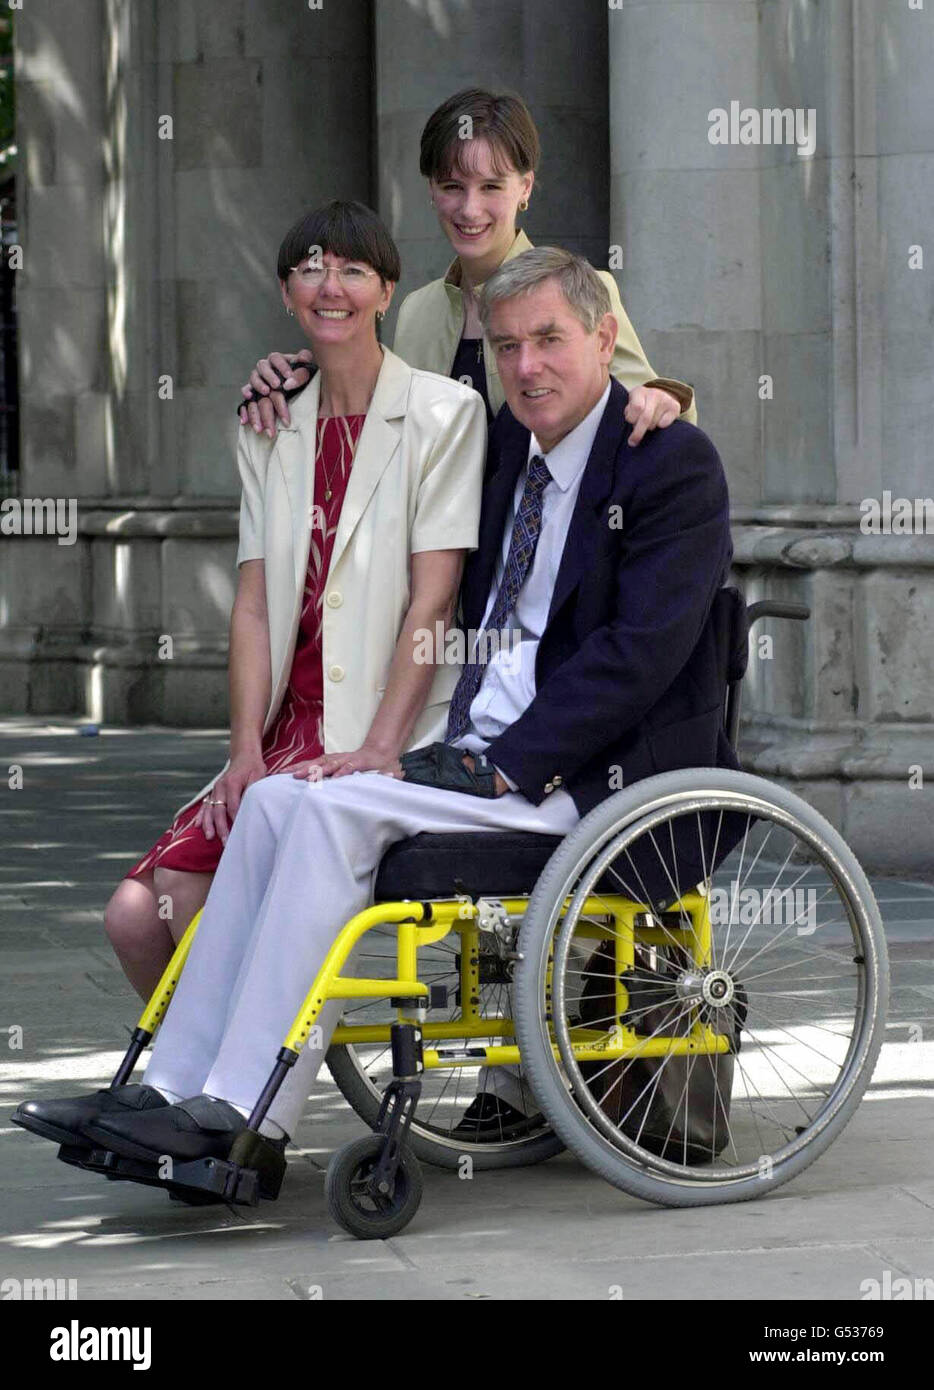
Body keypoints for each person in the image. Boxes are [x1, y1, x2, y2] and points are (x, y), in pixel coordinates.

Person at [12, 247, 740, 1176]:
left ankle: (246, 1118)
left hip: (588, 774)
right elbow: (392, 423)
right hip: (470, 747)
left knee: (327, 820)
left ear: (606, 341)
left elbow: (640, 655)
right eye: (509, 347)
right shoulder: (505, 443)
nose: (527, 368)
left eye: (551, 341)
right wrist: (298, 370)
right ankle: (169, 1087)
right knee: (277, 801)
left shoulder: (668, 461)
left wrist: (505, 760)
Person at [103, 199, 487, 1001]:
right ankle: (203, 1098)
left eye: (353, 269)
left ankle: (223, 1101)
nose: (330, 286)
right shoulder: (267, 424)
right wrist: (242, 748)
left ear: (387, 291)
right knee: (137, 917)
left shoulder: (444, 413)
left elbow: (434, 604)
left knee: (192, 905)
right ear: (285, 292)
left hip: (389, 724)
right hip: (281, 727)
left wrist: (384, 747)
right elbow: (252, 607)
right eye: (310, 269)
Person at [238, 88, 695, 447]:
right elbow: (382, 424)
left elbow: (663, 416)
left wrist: (662, 397)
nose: (469, 209)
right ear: (432, 191)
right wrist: (295, 383)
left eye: (491, 186)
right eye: (452, 186)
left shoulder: (589, 289)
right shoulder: (417, 311)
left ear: (525, 188)